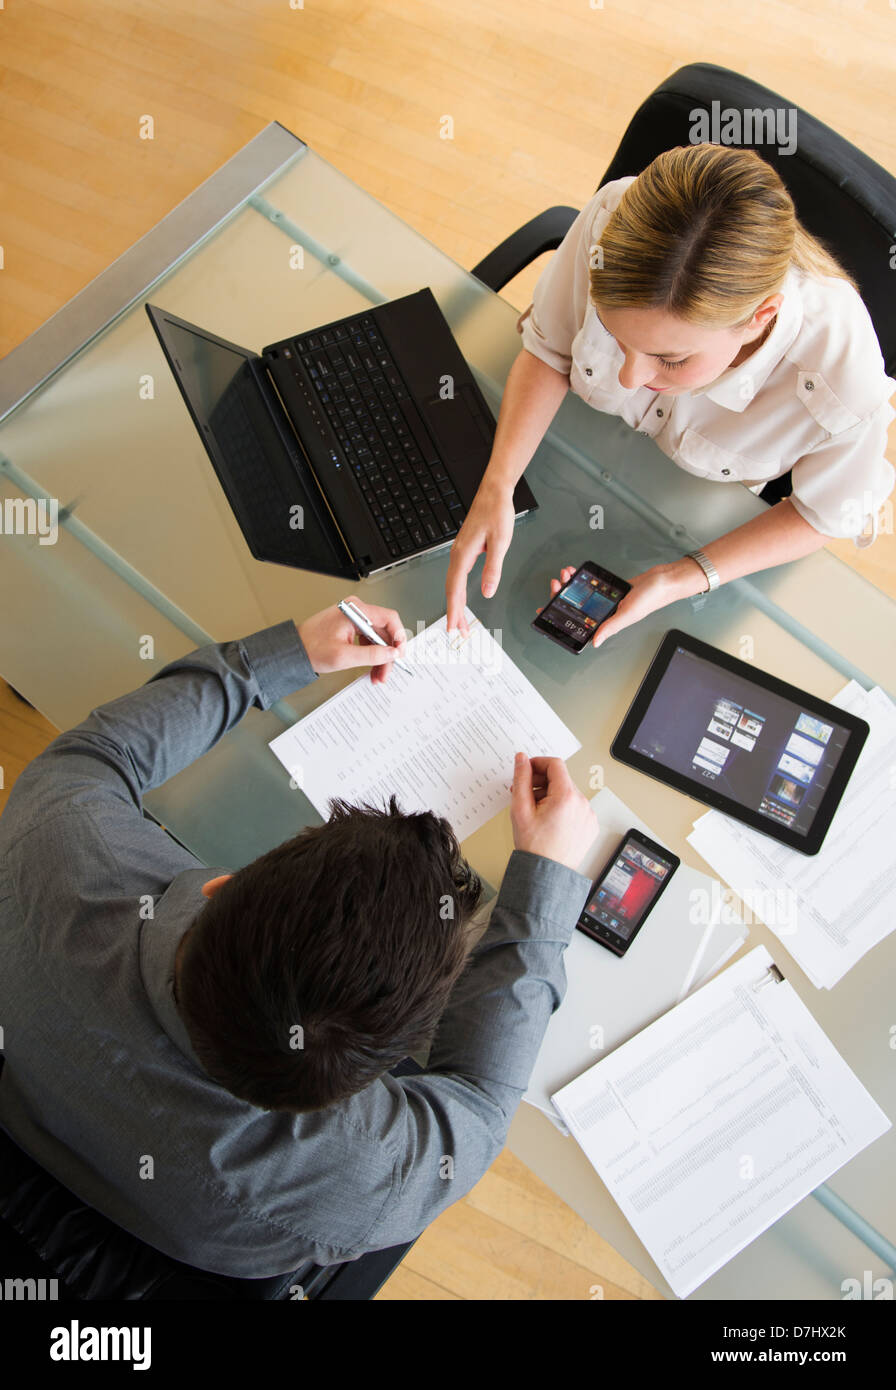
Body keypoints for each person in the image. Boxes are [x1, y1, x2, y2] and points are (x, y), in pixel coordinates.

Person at [0, 601, 597, 1279]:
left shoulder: (49, 859)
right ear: (395, 1060)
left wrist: (270, 659)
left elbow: (94, 756)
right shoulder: (369, 1181)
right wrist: (545, 883)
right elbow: (483, 1110)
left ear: (219, 887)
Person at [446, 143, 896, 645]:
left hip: (686, 525)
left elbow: (824, 514)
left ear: (758, 319)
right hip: (560, 456)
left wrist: (679, 576)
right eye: (618, 340)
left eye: (671, 359)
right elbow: (551, 352)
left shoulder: (841, 374)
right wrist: (499, 483)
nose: (628, 379)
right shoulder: (610, 221)